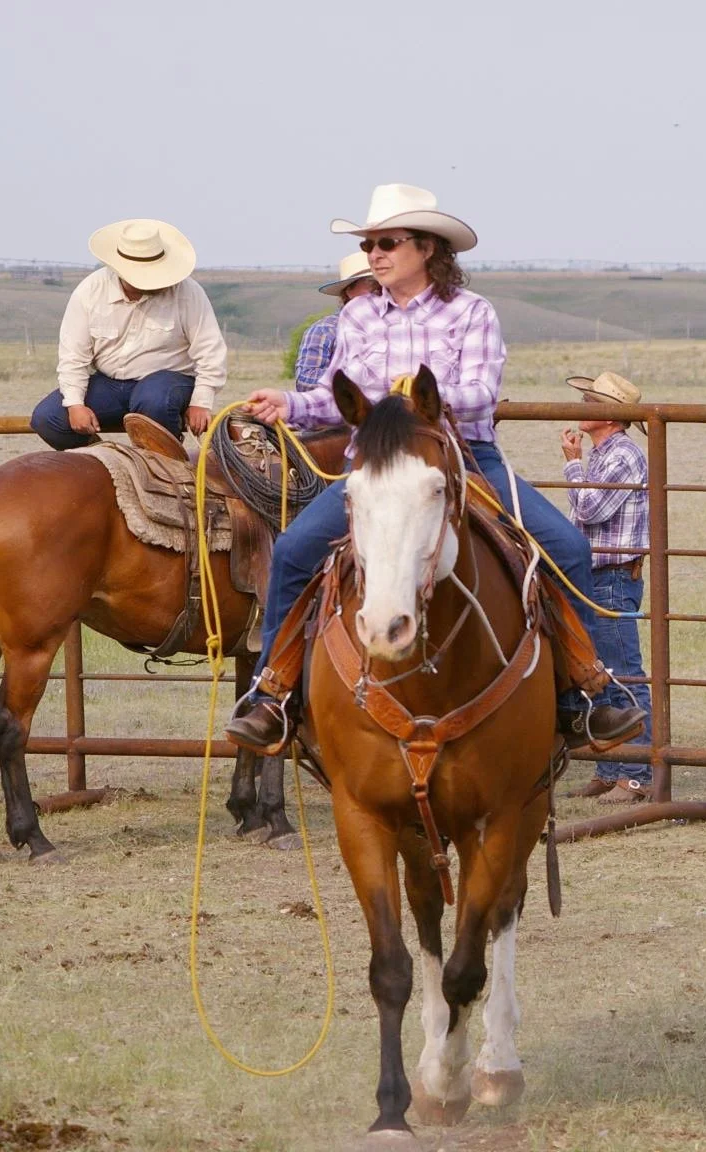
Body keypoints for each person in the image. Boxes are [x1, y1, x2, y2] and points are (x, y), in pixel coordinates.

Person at [223, 184, 645, 753]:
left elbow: (480, 394)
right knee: (295, 550)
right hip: (375, 465)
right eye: (369, 244)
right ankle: (274, 695)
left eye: (387, 243)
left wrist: (418, 399)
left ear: (426, 248)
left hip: (464, 457)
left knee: (566, 546)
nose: (374, 254)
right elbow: (334, 398)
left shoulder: (471, 312)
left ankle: (584, 695)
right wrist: (288, 404)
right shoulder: (359, 314)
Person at [31, 219, 226, 450]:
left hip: (168, 382)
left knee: (153, 399)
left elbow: (210, 352)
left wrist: (201, 402)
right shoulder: (90, 291)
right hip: (111, 384)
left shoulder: (188, 292)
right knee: (47, 418)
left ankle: (168, 465)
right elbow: (73, 356)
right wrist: (75, 404)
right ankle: (108, 461)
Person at [557, 372, 655, 802]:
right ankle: (611, 768)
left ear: (611, 416)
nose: (582, 406)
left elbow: (590, 508)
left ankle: (635, 775)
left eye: (591, 402)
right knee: (599, 675)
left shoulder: (623, 456)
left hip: (612, 577)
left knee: (622, 672)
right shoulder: (605, 453)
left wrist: (571, 464)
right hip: (599, 576)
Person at [292, 252, 380, 394]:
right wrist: (357, 378)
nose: (379, 291)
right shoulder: (325, 330)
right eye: (372, 284)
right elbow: (305, 381)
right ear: (349, 290)